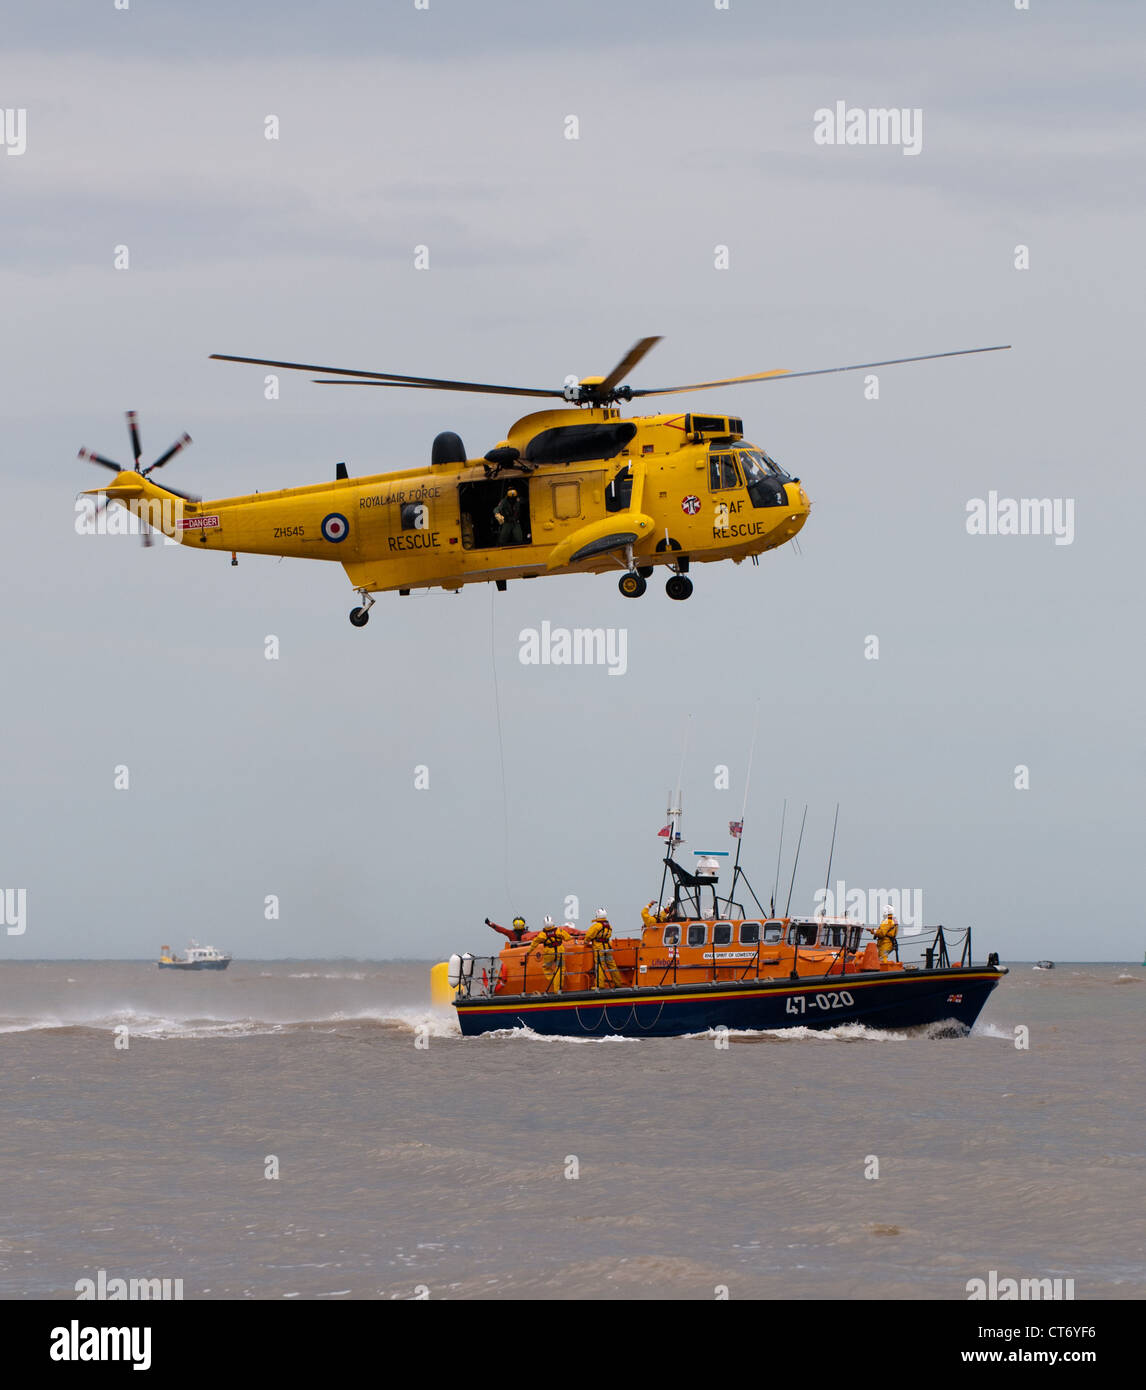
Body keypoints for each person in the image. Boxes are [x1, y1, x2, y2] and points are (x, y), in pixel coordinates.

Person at [531, 916, 573, 990]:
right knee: (560, 969)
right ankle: (558, 986)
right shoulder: (559, 931)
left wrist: (528, 952)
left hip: (549, 954)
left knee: (546, 967)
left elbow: (534, 943)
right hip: (560, 952)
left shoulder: (542, 935)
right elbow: (567, 938)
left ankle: (553, 980)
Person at [585, 908, 622, 988]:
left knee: (599, 966)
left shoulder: (596, 926)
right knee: (612, 965)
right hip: (607, 946)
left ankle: (599, 985)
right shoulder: (608, 925)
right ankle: (618, 983)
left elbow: (588, 935)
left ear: (597, 915)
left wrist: (586, 941)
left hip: (599, 947)